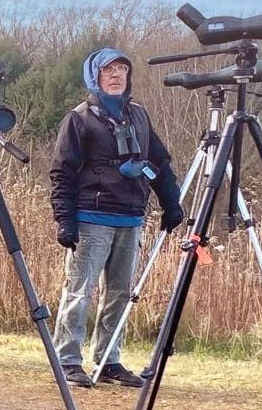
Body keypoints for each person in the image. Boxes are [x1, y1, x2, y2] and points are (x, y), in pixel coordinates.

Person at [50, 48, 182, 388]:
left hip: (131, 217)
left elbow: (160, 163)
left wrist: (171, 204)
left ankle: (109, 359)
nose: (115, 75)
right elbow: (61, 173)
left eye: (121, 69)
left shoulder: (139, 115)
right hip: (91, 217)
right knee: (80, 291)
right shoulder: (78, 119)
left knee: (120, 293)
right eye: (108, 69)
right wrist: (65, 220)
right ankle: (68, 360)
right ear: (95, 76)